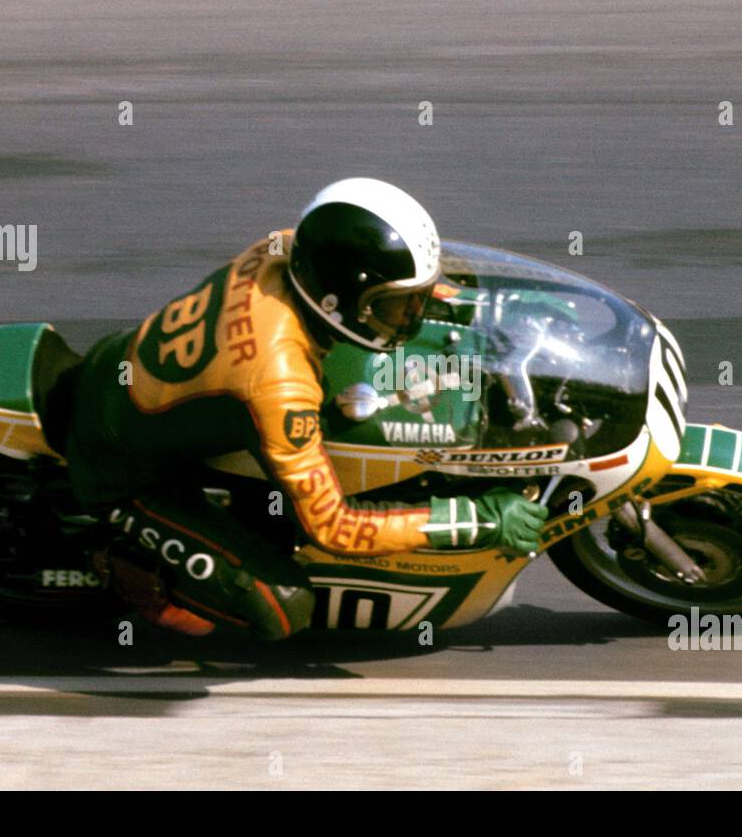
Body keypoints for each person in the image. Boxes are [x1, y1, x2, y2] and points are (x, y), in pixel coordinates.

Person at [61, 178, 548, 638]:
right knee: (284, 607)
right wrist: (475, 519)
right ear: (338, 299)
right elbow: (335, 528)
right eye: (398, 306)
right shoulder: (278, 383)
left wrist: (473, 308)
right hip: (118, 466)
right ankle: (117, 564)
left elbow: (362, 265)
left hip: (130, 365)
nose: (411, 316)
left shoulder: (285, 249)